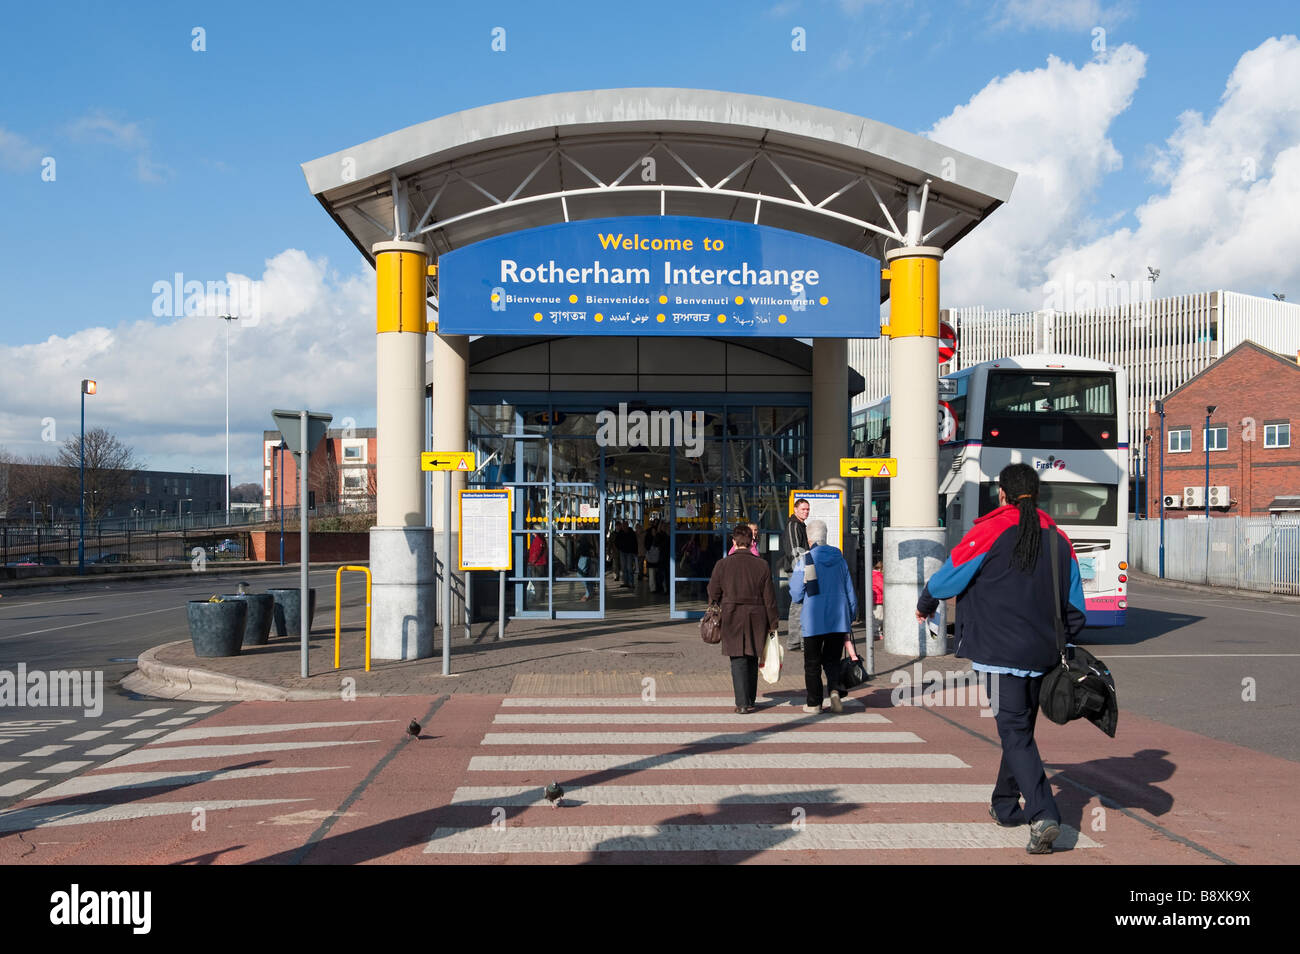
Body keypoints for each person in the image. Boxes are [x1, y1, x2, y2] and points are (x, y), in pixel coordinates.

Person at [915, 463, 1086, 855]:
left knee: (1015, 733)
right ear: (1038, 495)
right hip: (1044, 655)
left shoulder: (990, 530)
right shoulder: (1060, 538)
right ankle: (1005, 805)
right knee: (1021, 729)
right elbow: (1076, 607)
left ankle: (1044, 814)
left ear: (1002, 495)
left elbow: (945, 580)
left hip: (999, 653)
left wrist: (925, 603)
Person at [708, 523, 780, 714]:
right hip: (757, 615)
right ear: (751, 542)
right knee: (752, 656)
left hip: (731, 614)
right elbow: (769, 597)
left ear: (734, 541)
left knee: (737, 658)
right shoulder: (762, 565)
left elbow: (713, 591)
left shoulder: (722, 564)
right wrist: (773, 623)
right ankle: (750, 699)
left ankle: (741, 703)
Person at [789, 519, 858, 714]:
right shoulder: (839, 559)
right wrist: (851, 614)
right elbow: (849, 590)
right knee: (832, 660)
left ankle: (814, 703)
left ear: (809, 539)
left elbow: (795, 593)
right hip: (838, 619)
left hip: (813, 620)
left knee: (812, 663)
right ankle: (835, 691)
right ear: (825, 537)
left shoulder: (806, 559)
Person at [781, 499, 811, 652]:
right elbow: (794, 551)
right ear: (795, 509)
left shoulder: (800, 525)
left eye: (807, 509)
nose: (806, 512)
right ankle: (794, 641)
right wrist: (803, 571)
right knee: (797, 604)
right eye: (803, 509)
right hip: (797, 571)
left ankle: (797, 640)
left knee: (799, 604)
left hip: (799, 569)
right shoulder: (794, 525)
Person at [526, 532, 548, 603]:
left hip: (537, 564)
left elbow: (536, 552)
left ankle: (539, 598)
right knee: (539, 582)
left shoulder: (538, 540)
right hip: (540, 563)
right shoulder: (541, 539)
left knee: (537, 582)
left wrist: (531, 562)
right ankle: (540, 598)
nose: (532, 533)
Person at [616, 521, 638, 588]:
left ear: (627, 526)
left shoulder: (631, 533)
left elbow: (635, 543)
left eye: (625, 525)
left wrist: (635, 552)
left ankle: (630, 583)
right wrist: (620, 548)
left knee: (629, 568)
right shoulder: (621, 533)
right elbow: (616, 542)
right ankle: (626, 582)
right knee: (623, 568)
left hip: (629, 552)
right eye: (623, 526)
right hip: (623, 552)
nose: (624, 527)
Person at [871, 559, 884, 640]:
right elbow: (882, 587)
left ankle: (877, 632)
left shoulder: (872, 574)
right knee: (879, 617)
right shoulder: (878, 576)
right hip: (878, 599)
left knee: (876, 616)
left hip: (875, 599)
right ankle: (876, 633)